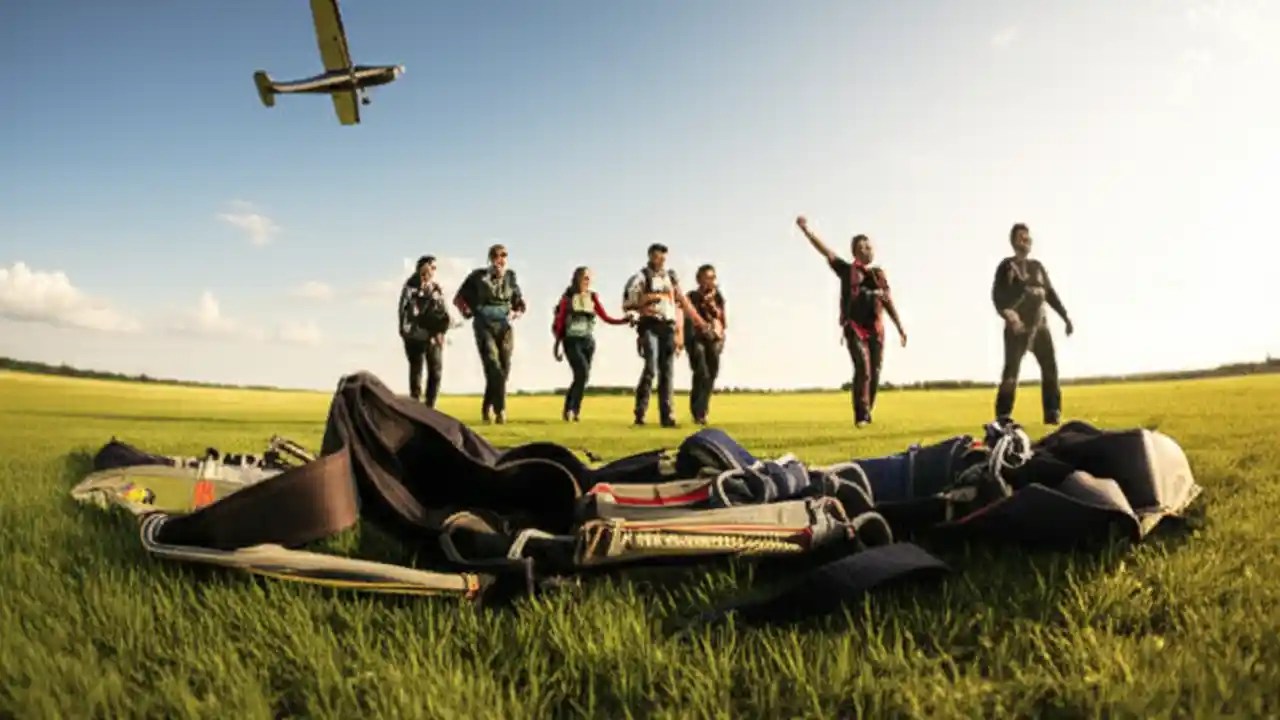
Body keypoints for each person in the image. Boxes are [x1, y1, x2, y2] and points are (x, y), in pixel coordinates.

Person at [795, 215, 907, 427]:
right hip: (854, 328)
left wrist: (900, 327)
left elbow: (888, 301)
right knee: (862, 369)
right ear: (855, 251)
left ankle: (868, 410)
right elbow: (825, 251)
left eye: (869, 246)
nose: (867, 250)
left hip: (876, 329)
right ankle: (861, 415)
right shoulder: (847, 271)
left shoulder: (878, 275)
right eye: (862, 247)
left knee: (874, 372)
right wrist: (807, 231)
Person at [991, 222, 1074, 425]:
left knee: (1050, 369)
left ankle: (1052, 413)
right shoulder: (1006, 266)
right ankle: (1003, 416)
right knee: (1011, 372)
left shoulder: (1037, 267)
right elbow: (997, 297)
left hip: (1040, 326)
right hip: (1017, 328)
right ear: (1013, 241)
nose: (1026, 240)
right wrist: (1010, 317)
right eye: (1021, 237)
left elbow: (1050, 294)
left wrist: (1065, 317)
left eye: (1028, 237)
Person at [622, 243, 710, 428]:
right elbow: (629, 302)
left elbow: (683, 302)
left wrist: (700, 323)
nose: (660, 261)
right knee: (650, 368)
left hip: (668, 327)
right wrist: (637, 311)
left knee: (667, 372)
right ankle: (640, 413)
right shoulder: (641, 277)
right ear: (650, 256)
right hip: (649, 326)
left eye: (663, 258)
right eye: (657, 257)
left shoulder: (671, 278)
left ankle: (667, 416)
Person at [453, 243, 527, 424]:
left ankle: (487, 407)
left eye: (503, 256)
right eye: (496, 256)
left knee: (503, 369)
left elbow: (520, 303)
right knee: (493, 366)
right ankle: (500, 410)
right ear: (490, 259)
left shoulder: (511, 277)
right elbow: (459, 298)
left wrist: (516, 313)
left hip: (505, 326)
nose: (500, 260)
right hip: (484, 325)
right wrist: (470, 312)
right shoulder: (477, 277)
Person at [551, 266, 633, 422]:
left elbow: (605, 317)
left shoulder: (593, 298)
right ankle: (570, 409)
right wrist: (557, 343)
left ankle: (574, 410)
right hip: (572, 341)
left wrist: (624, 321)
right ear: (577, 279)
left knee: (582, 377)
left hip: (588, 341)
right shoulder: (567, 299)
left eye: (589, 278)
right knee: (581, 373)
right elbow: (560, 322)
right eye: (584, 278)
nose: (587, 281)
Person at [397, 255, 451, 407]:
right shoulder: (410, 287)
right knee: (416, 371)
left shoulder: (436, 288)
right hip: (414, 336)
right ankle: (415, 405)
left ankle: (430, 406)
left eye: (434, 268)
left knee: (436, 371)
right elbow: (403, 312)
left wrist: (441, 331)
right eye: (429, 267)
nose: (431, 271)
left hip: (433, 336)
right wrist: (405, 332)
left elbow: (443, 312)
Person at [685, 263, 727, 425]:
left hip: (714, 338)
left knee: (712, 374)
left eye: (713, 278)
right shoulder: (692, 297)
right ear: (699, 279)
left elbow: (722, 319)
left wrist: (721, 336)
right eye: (707, 277)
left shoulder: (718, 297)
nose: (710, 281)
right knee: (701, 371)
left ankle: (702, 410)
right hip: (696, 338)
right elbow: (689, 317)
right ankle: (698, 412)